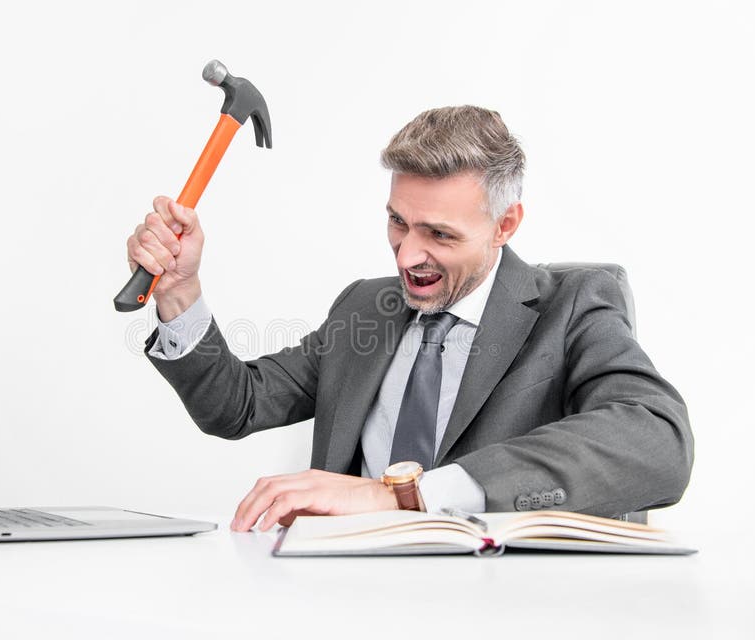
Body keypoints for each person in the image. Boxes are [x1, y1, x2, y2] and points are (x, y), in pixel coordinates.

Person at [126, 106, 693, 533]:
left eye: (440, 234)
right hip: (348, 596)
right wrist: (180, 291)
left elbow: (656, 440)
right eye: (398, 222)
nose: (405, 256)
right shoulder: (365, 307)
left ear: (506, 224)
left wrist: (404, 496)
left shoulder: (572, 305)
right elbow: (238, 405)